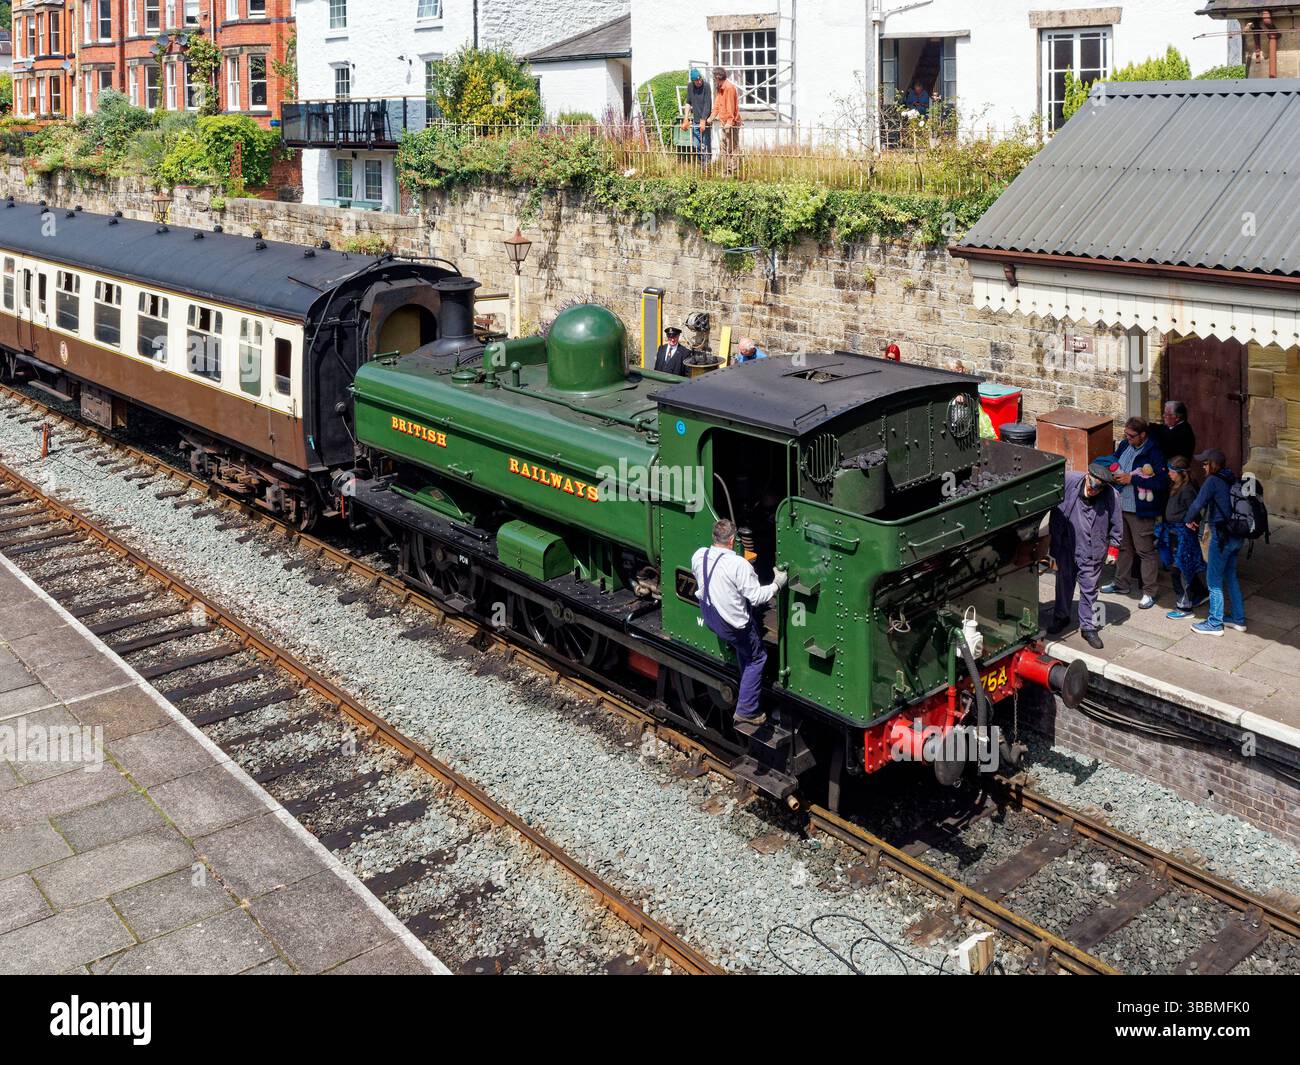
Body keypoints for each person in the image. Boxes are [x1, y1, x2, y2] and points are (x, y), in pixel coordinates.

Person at [691, 518, 787, 726]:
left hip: (709, 614)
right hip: (732, 625)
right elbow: (757, 598)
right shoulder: (738, 565)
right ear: (733, 540)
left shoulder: (699, 555)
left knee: (745, 651)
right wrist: (777, 584)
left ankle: (747, 681)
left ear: (714, 537)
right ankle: (747, 710)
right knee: (757, 657)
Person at [1049, 462, 1122, 650]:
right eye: (1091, 485)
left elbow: (1116, 524)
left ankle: (1088, 627)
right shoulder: (1069, 480)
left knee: (1089, 589)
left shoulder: (1111, 495)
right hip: (1065, 545)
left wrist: (1113, 549)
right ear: (1087, 477)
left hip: (1091, 549)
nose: (1092, 490)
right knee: (1063, 582)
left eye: (1098, 488)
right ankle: (1061, 617)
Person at [1100, 417, 1168, 610]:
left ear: (1143, 435)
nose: (1127, 438)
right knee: (1123, 547)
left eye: (1131, 436)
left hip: (1140, 510)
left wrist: (1132, 479)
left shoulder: (1153, 452)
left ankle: (1149, 592)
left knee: (1145, 551)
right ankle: (1121, 584)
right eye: (1126, 435)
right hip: (1120, 505)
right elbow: (1114, 461)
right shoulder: (1124, 445)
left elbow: (1161, 483)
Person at [1184, 448, 1247, 636]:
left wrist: (1188, 519)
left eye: (1205, 463)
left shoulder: (1212, 480)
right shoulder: (1232, 478)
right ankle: (1238, 619)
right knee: (1231, 576)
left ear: (1212, 465)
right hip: (1236, 535)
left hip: (1221, 537)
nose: (1202, 466)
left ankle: (1214, 623)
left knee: (1213, 581)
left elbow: (1197, 504)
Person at [1164, 456, 1208, 619]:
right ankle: (1200, 594)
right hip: (1174, 532)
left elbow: (1195, 510)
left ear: (1180, 473)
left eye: (1171, 471)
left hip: (1184, 535)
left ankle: (1184, 607)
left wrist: (1190, 521)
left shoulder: (1188, 489)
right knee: (1183, 567)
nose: (1168, 473)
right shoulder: (1176, 485)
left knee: (1180, 570)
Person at [706, 66, 742, 177]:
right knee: (724, 148)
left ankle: (734, 171)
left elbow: (731, 107)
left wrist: (729, 122)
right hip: (724, 123)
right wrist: (711, 117)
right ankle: (727, 170)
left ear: (718, 77)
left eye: (714, 78)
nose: (713, 80)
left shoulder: (729, 88)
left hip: (731, 124)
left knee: (732, 147)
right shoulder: (720, 88)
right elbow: (717, 105)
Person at [680, 68, 712, 165]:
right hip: (695, 121)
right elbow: (688, 102)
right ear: (693, 81)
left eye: (699, 79)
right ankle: (702, 162)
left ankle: (707, 165)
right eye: (696, 81)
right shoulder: (690, 87)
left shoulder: (706, 86)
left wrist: (703, 119)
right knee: (696, 144)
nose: (699, 82)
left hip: (705, 121)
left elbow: (708, 104)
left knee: (705, 144)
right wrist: (685, 118)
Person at [1152, 400, 1195, 465]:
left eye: (1166, 414)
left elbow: (1164, 444)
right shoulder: (1173, 426)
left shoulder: (1183, 431)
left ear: (1177, 417)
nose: (1163, 416)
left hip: (1175, 471)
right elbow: (1161, 428)